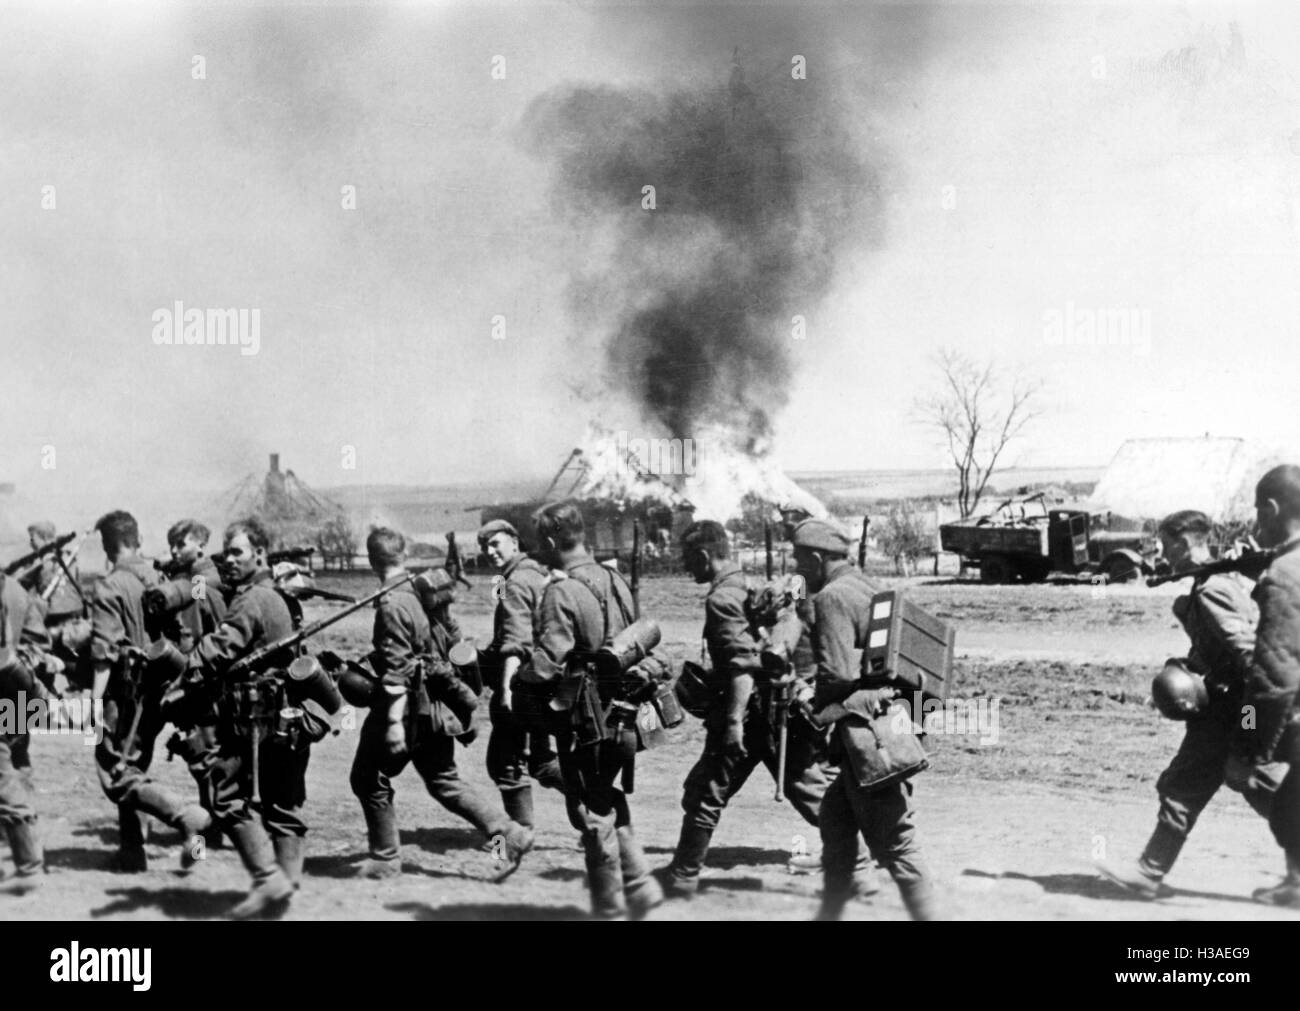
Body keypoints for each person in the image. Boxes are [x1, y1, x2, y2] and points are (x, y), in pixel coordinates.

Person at [661, 520, 874, 900]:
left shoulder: (722, 599)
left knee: (709, 790)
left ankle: (682, 875)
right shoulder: (749, 587)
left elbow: (742, 667)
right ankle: (857, 868)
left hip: (748, 714)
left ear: (705, 555)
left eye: (689, 558)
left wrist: (731, 723)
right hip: (774, 712)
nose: (685, 567)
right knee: (806, 788)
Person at [1098, 509, 1282, 899]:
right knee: (1255, 787)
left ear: (1183, 542)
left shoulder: (1213, 588)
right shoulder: (1218, 580)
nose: (1162, 552)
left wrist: (1249, 731)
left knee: (1190, 786)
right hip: (1231, 709)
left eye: (1165, 544)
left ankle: (1148, 874)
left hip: (1233, 712)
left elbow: (1252, 662)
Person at [347, 527, 533, 881]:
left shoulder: (392, 603)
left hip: (406, 710)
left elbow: (397, 670)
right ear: (403, 555)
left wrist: (393, 725)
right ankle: (510, 833)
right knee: (444, 781)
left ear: (372, 561)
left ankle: (386, 859)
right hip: (436, 704)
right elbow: (450, 640)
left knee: (367, 777)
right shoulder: (422, 589)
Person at [520, 501, 662, 918]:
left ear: (549, 541)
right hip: (629, 716)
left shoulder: (560, 591)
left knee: (589, 809)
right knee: (606, 795)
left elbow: (548, 663)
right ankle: (639, 884)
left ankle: (609, 909)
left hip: (587, 723)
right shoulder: (615, 578)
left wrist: (516, 685)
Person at [794, 518, 937, 920]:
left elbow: (837, 673)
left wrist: (811, 702)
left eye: (800, 560)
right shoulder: (868, 586)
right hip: (891, 725)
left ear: (817, 557)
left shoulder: (831, 598)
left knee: (898, 845)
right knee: (836, 828)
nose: (797, 569)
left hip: (869, 740)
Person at [187, 518, 324, 918]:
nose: (228, 561)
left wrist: (185, 670)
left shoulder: (250, 599)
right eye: (224, 554)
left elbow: (220, 647)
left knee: (225, 796)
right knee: (284, 805)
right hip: (286, 716)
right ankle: (287, 894)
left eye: (237, 553)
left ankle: (270, 881)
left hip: (255, 718)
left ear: (259, 554)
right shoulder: (277, 595)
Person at [89, 510, 209, 873]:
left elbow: (103, 655)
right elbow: (181, 630)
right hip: (157, 690)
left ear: (108, 547)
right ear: (138, 540)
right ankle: (131, 852)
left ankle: (185, 815)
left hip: (123, 695)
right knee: (134, 764)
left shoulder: (108, 586)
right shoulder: (159, 578)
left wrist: (93, 708)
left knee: (114, 772)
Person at [1229, 465, 1300, 908]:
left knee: (1290, 809)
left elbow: (1271, 678)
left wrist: (1246, 742)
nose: (1258, 524)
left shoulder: (1284, 575)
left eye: (1259, 514)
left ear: (1271, 509)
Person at [478, 518, 562, 828]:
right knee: (540, 761)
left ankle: (521, 832)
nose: (489, 551)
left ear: (514, 541)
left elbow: (516, 642)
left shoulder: (513, 582)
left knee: (505, 763)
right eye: (484, 546)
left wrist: (505, 692)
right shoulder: (536, 573)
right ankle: (599, 804)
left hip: (520, 682)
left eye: (495, 543)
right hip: (543, 680)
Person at [0, 569, 56, 894]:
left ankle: (29, 865)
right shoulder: (19, 590)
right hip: (21, 692)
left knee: (5, 778)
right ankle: (29, 848)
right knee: (18, 765)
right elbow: (42, 646)